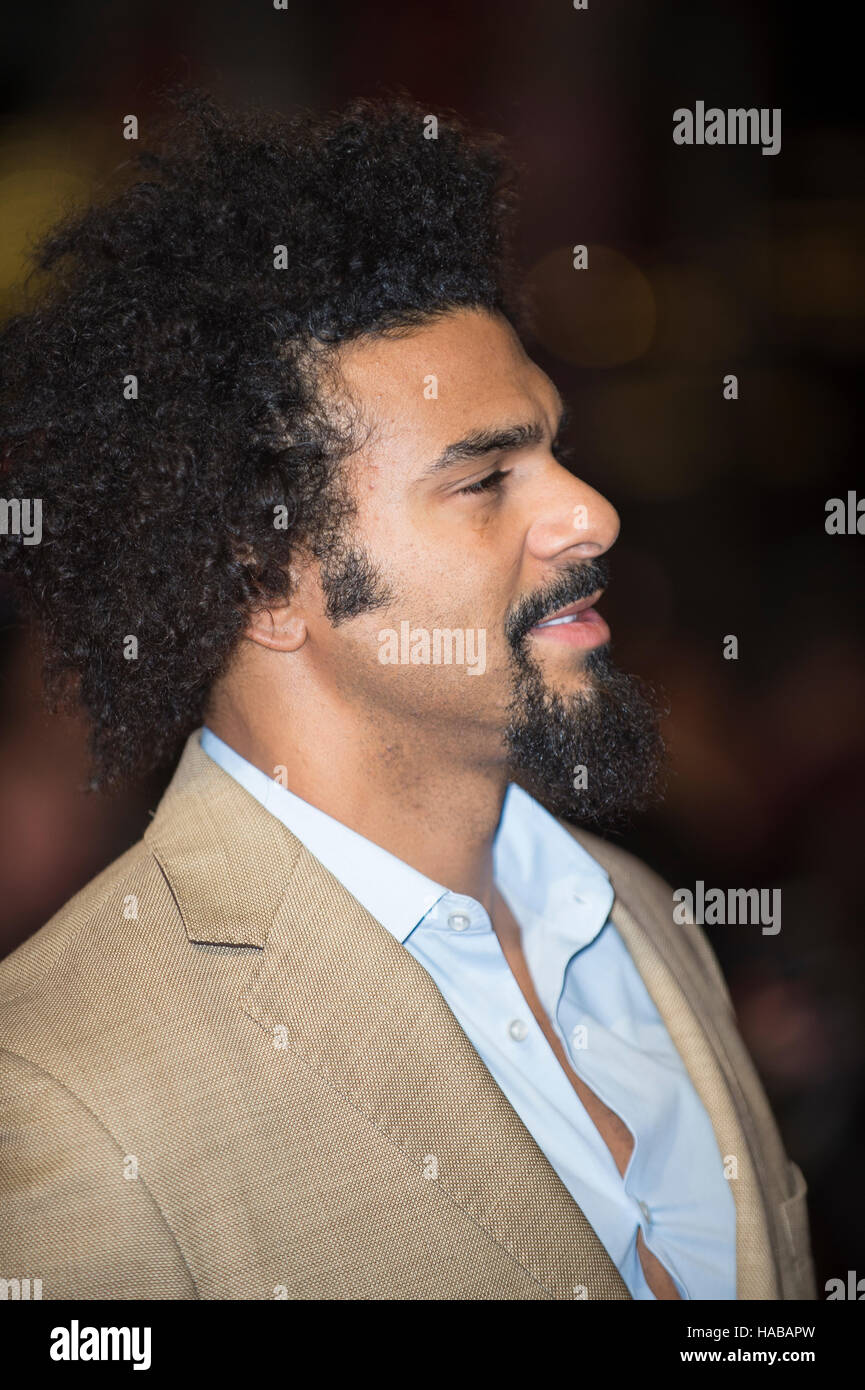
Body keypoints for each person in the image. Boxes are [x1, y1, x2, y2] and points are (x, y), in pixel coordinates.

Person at [0, 89, 814, 1300]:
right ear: (269, 578)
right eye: (486, 477)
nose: (588, 513)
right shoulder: (62, 1082)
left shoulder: (639, 916)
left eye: (554, 446)